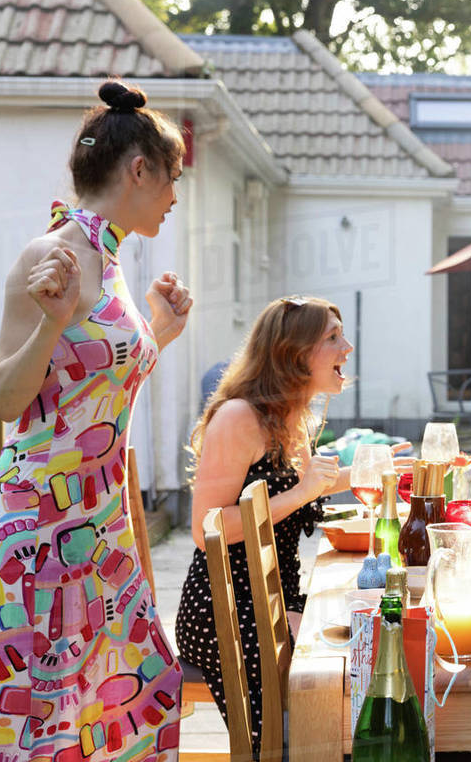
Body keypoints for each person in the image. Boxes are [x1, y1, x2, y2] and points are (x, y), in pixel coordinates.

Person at [0, 80, 191, 759]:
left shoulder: (110, 258)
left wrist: (157, 330)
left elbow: (92, 395)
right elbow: (8, 403)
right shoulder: (52, 258)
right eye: (172, 176)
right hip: (39, 529)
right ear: (139, 171)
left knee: (135, 693)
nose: (174, 194)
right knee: (49, 722)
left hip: (96, 528)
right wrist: (47, 322)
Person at [175, 296, 353, 756]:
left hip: (273, 593)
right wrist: (301, 492)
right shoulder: (239, 417)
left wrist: (372, 474)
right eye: (332, 338)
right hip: (228, 609)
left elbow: (297, 493)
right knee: (298, 729)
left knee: (352, 646)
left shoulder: (291, 415)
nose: (346, 347)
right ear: (293, 354)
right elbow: (205, 528)